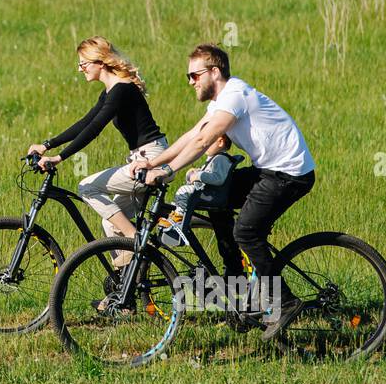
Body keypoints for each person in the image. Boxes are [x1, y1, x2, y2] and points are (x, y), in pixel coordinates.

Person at [132, 43, 315, 339]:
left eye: (194, 75)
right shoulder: (219, 103)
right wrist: (152, 161)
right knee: (215, 201)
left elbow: (204, 141)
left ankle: (285, 301)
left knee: (246, 233)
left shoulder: (235, 96)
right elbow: (192, 135)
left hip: (290, 174)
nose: (190, 82)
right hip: (269, 170)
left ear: (214, 72)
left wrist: (166, 172)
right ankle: (237, 284)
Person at [27, 36, 168, 267]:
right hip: (141, 159)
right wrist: (47, 145)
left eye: (84, 63)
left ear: (99, 62)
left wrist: (59, 157)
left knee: (87, 187)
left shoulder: (121, 90)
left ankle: (138, 241)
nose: (80, 69)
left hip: (151, 160)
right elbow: (85, 122)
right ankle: (123, 297)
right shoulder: (111, 91)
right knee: (111, 224)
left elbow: (94, 129)